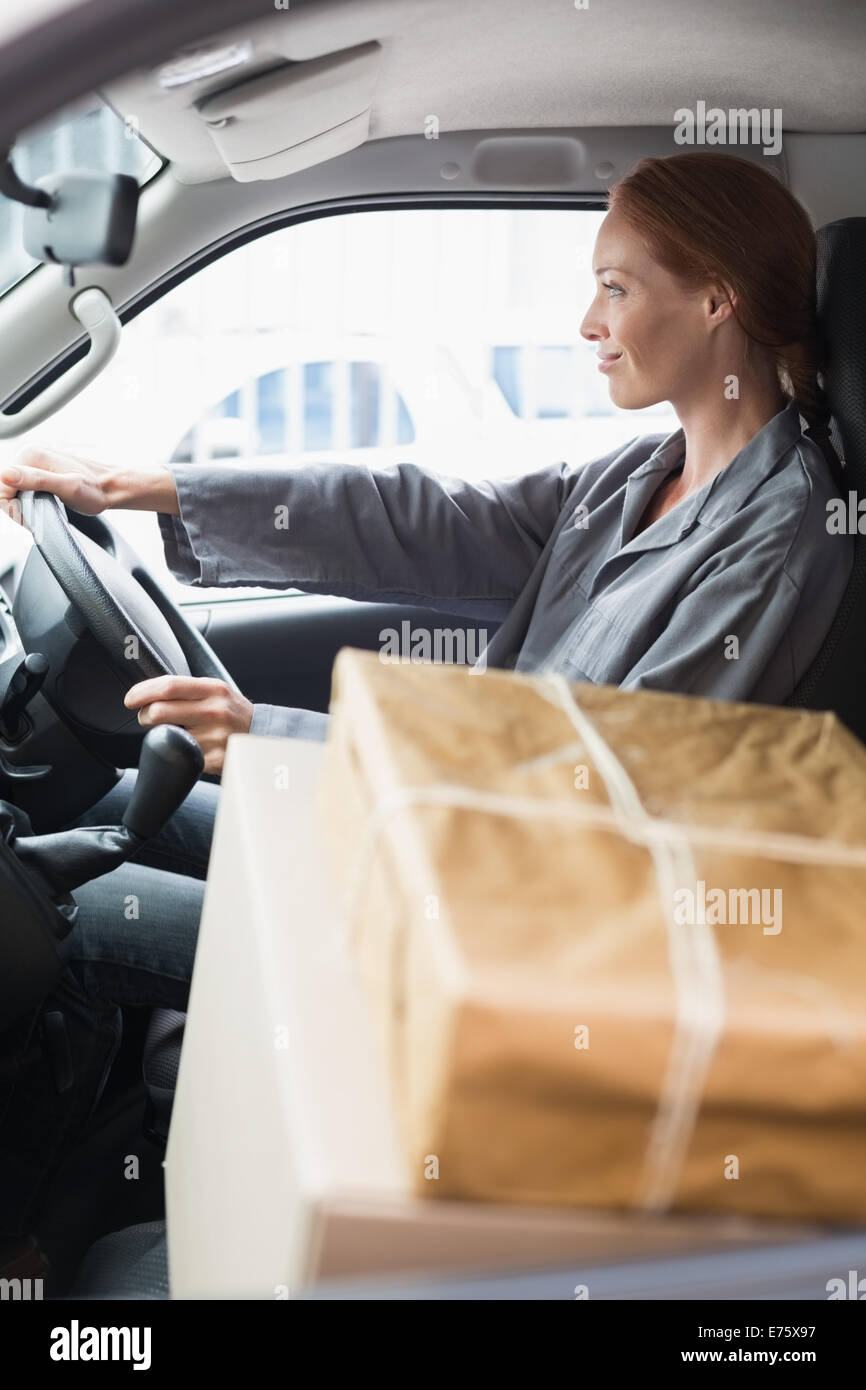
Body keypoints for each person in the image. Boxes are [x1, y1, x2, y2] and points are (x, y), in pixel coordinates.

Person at [0, 152, 853, 1259]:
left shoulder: (780, 540)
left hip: (515, 917)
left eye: (614, 287)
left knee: (68, 922)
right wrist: (143, 488)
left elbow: (606, 780)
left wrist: (276, 736)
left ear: (713, 299)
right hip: (440, 837)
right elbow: (425, 512)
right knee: (121, 797)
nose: (586, 322)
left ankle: (44, 1253)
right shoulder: (643, 471)